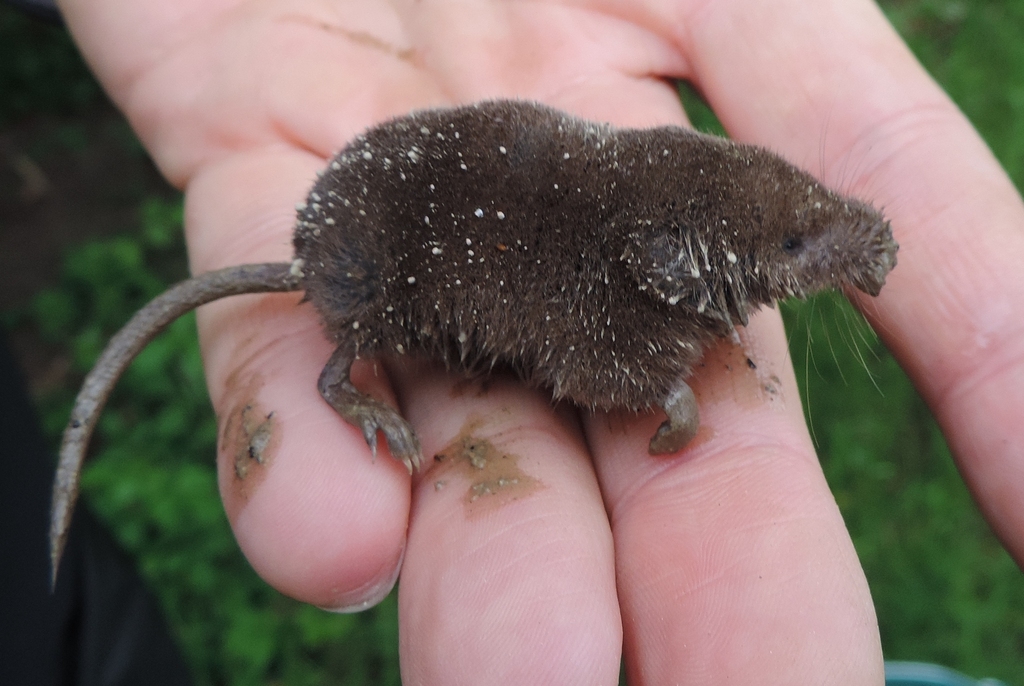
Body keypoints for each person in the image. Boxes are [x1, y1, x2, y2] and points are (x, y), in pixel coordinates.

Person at [52, 0, 1024, 683]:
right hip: (374, 236)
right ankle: (342, 379)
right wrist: (671, 397)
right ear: (672, 268)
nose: (818, 255)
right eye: (796, 247)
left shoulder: (664, 205)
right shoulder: (614, 308)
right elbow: (600, 364)